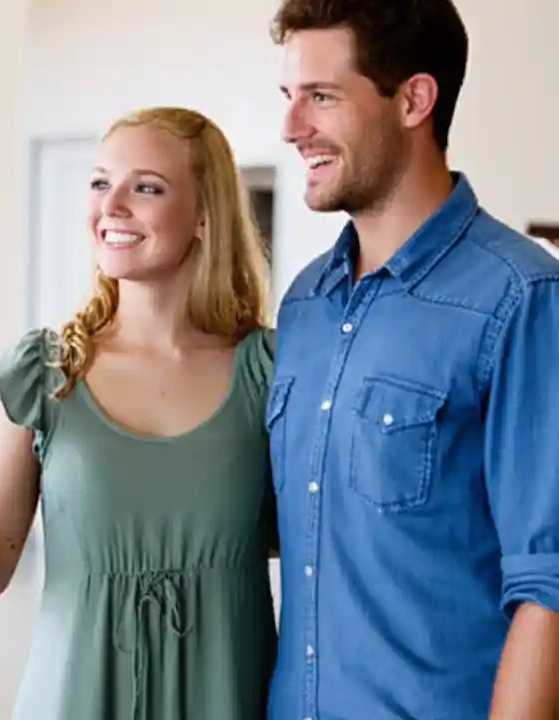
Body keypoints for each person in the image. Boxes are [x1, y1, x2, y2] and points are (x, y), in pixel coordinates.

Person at [0, 107, 278, 719]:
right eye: (101, 182)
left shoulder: (269, 371)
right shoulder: (47, 374)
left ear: (206, 215)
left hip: (226, 697)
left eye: (147, 187)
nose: (112, 206)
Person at [267, 1, 559, 718]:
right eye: (288, 97)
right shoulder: (304, 303)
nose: (291, 128)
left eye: (322, 97)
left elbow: (549, 586)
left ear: (414, 100)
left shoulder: (522, 297)